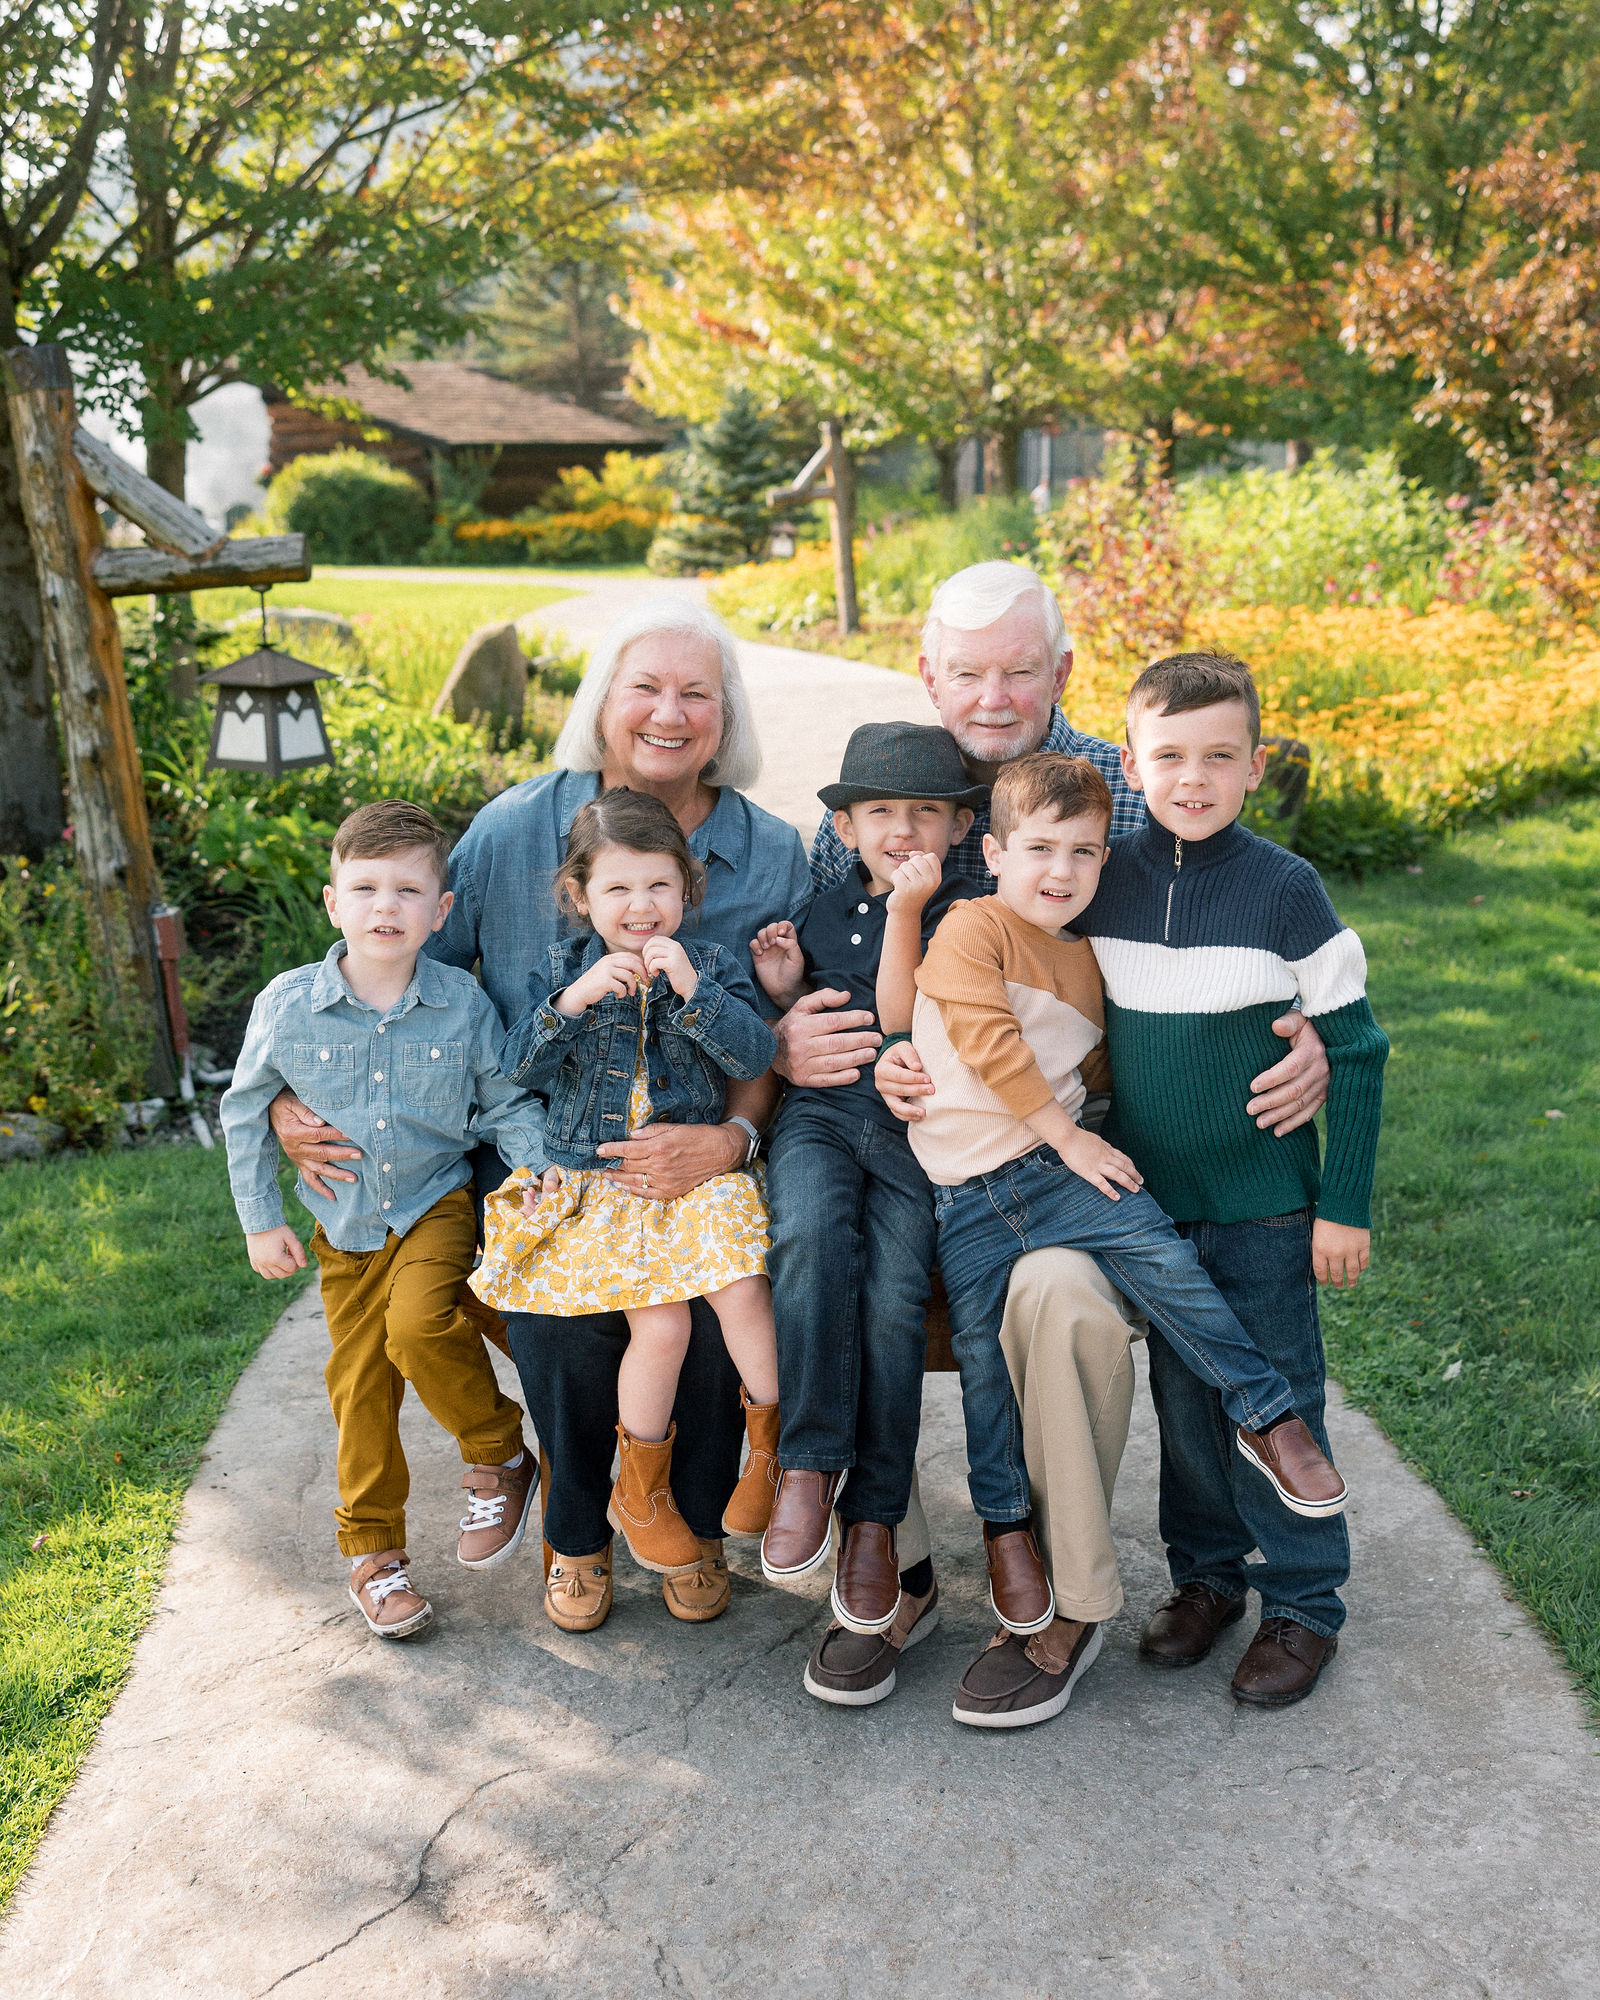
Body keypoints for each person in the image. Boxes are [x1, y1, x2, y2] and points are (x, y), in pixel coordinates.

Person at [847, 559, 1336, 1726]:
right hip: (949, 1154)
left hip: (1094, 1156)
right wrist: (870, 1039)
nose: (994, 690)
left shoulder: (1125, 793)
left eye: (1020, 667)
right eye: (967, 670)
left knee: (1100, 1303)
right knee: (845, 1260)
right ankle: (891, 1560)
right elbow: (859, 960)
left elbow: (1223, 921)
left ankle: (1138, 1589)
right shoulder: (892, 788)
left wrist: (1309, 1027)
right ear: (929, 674)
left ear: (1060, 672)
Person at [266, 599, 811, 1633]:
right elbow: (396, 963)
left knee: (702, 1305)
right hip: (544, 1150)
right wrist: (300, 1087)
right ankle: (578, 1533)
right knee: (562, 1323)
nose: (669, 712)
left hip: (707, 1150)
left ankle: (686, 1525)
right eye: (644, 686)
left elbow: (776, 1026)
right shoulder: (517, 827)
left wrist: (731, 1138)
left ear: (724, 716)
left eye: (697, 692)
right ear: (601, 703)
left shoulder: (768, 849)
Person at [1074, 651, 1388, 1706]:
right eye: (1168, 756)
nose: (1193, 777)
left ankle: (1304, 1600)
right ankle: (1206, 1577)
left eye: (1219, 756)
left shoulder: (1285, 889)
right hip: (1154, 1208)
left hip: (1262, 1199)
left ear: (1257, 766)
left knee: (1277, 1400)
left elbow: (1357, 1048)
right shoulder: (1102, 876)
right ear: (1130, 762)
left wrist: (1341, 1202)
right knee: (1186, 1403)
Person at [220, 801, 548, 1639]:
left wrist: (539, 1163)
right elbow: (246, 1110)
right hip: (344, 1225)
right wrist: (261, 1220)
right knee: (359, 1388)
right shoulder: (288, 1007)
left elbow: (501, 1097)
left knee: (419, 1323)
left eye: (408, 890)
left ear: (441, 913)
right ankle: (374, 1555)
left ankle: (497, 1449)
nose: (385, 907)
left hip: (436, 1201)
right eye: (364, 887)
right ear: (333, 902)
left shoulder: (460, 1002)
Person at [473, 788, 782, 1578]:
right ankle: (639, 1494)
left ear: (687, 889)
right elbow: (518, 1068)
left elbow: (754, 1056)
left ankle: (769, 1457)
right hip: (608, 1189)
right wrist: (569, 1005)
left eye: (658, 886)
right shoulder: (562, 975)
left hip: (696, 1181)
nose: (640, 906)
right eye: (617, 888)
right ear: (580, 898)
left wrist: (695, 992)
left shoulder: (709, 966)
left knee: (744, 1287)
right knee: (666, 1328)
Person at [748, 722, 985, 1703]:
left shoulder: (972, 914)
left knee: (891, 1292)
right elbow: (795, 1004)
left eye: (923, 809)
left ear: (961, 824)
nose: (900, 828)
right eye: (879, 811)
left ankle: (876, 1517)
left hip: (912, 1131)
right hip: (817, 1114)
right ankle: (807, 1465)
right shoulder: (816, 905)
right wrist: (777, 989)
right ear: (843, 825)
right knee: (804, 1238)